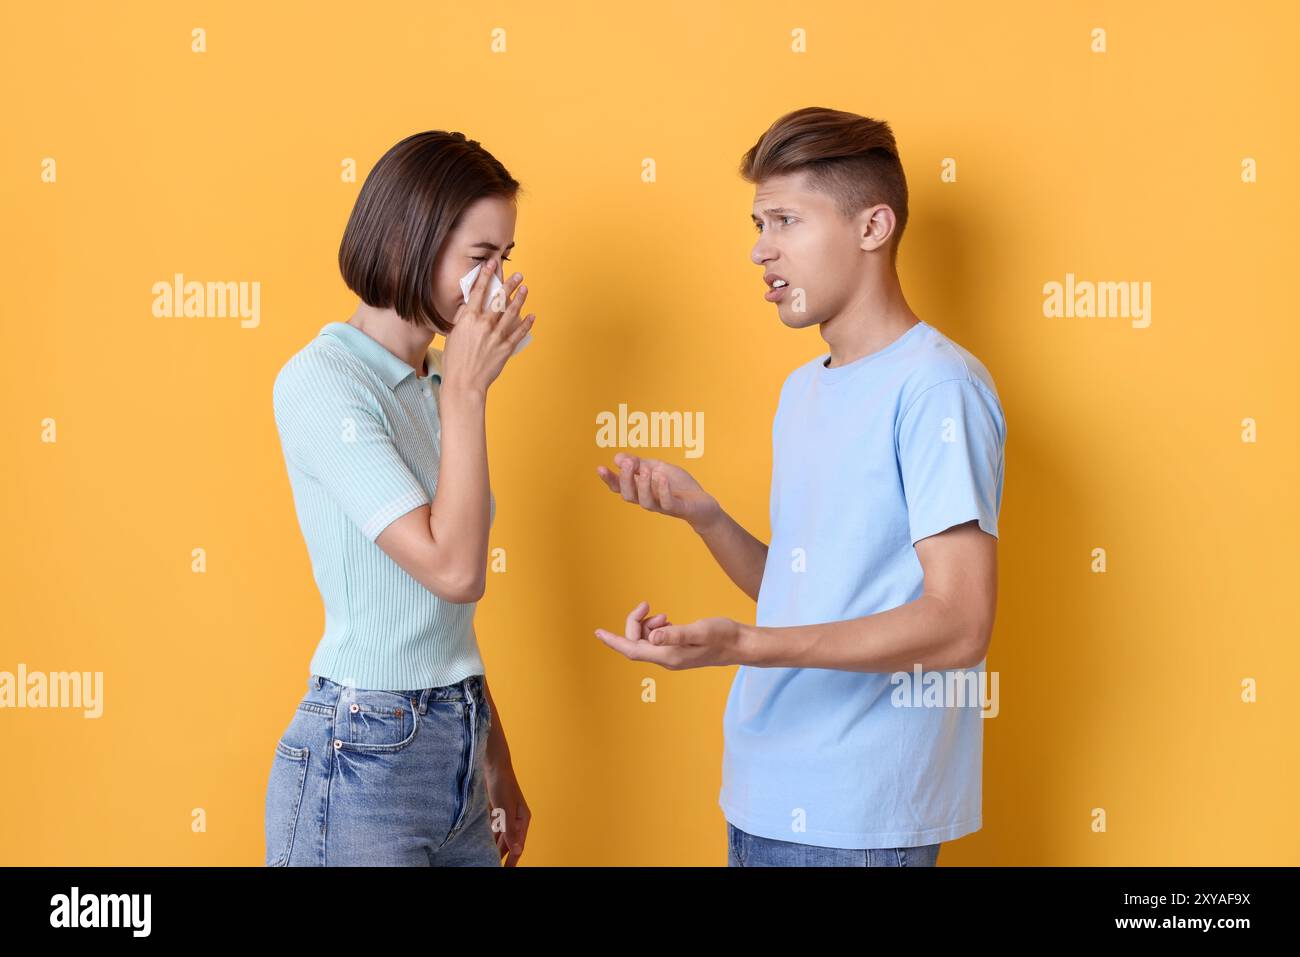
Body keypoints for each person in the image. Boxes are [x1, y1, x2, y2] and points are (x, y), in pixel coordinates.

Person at [594, 106, 1006, 867]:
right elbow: (809, 595)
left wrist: (748, 644)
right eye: (758, 223)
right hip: (761, 786)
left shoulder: (938, 387)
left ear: (873, 227)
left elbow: (960, 622)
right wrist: (706, 516)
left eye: (785, 220)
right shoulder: (802, 390)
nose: (761, 249)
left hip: (858, 814)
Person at [265, 130, 534, 866]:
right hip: (361, 758)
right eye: (481, 259)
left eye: (506, 259)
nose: (497, 285)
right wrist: (470, 394)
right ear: (409, 243)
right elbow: (454, 569)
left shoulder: (439, 382)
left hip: (458, 743)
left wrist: (492, 750)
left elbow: (442, 616)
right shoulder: (323, 381)